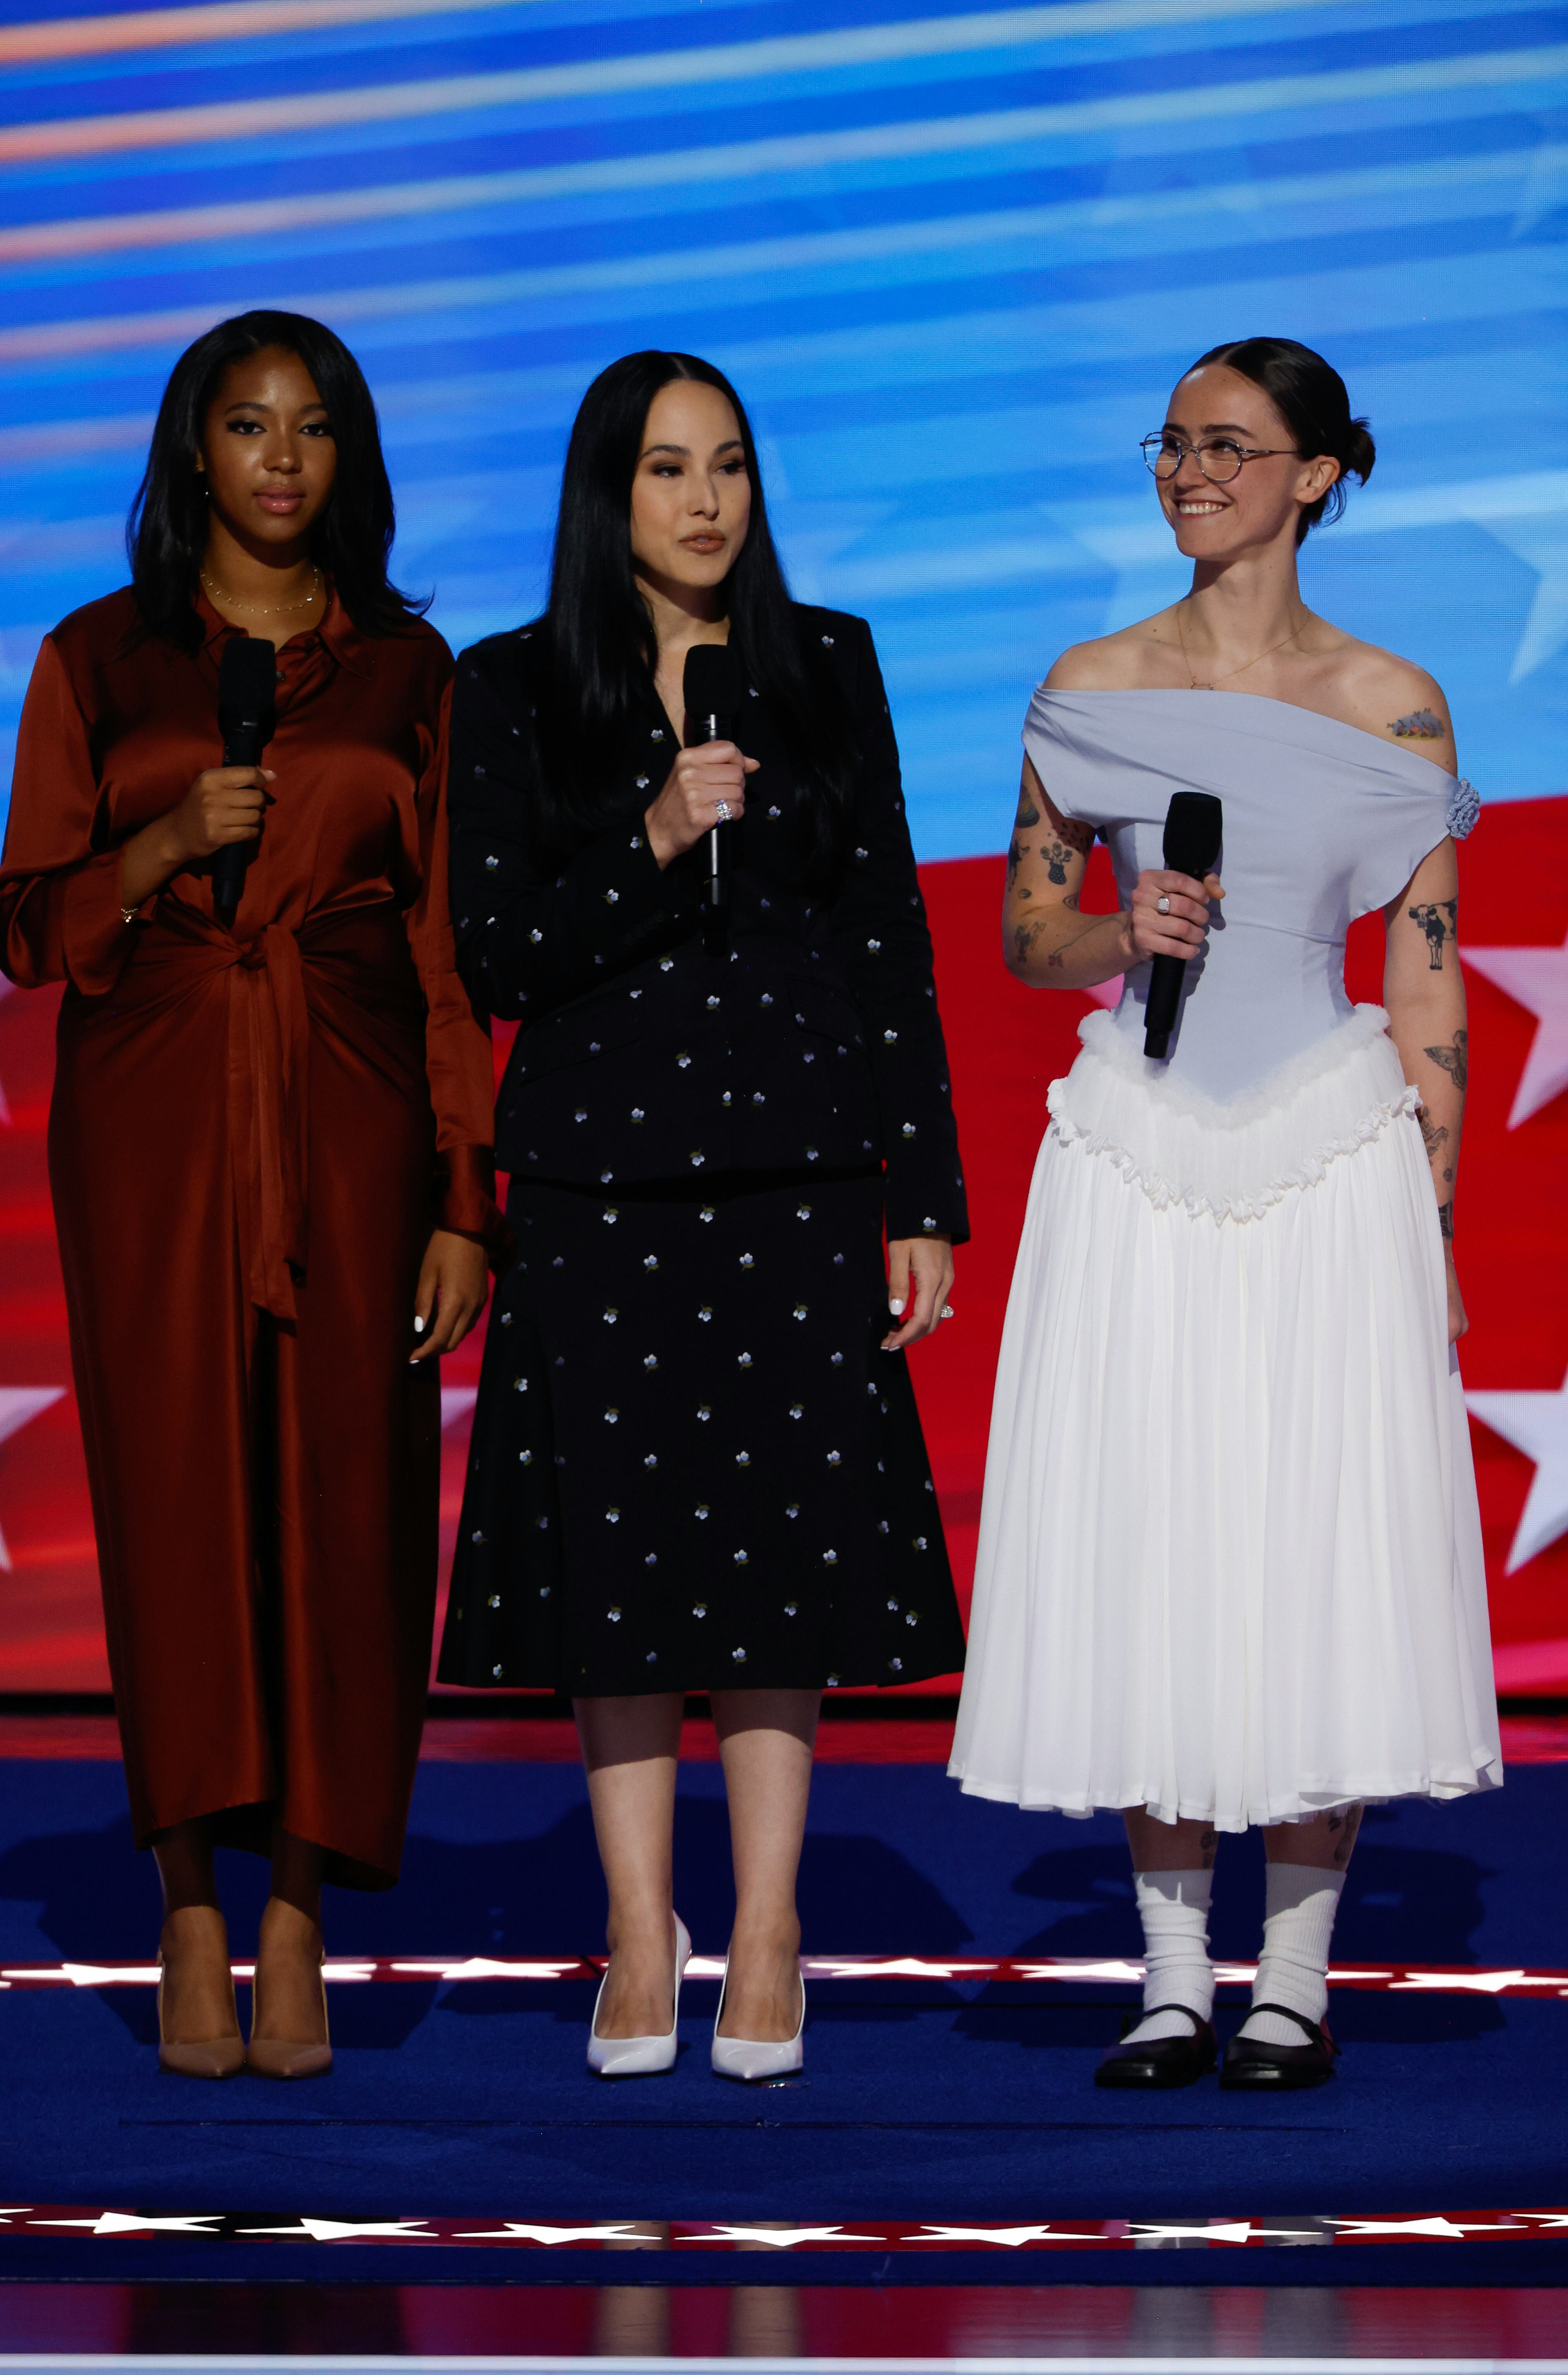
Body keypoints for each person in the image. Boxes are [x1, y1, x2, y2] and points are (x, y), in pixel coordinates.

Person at [949, 336, 1498, 2092]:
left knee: (1311, 1534)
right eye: (1171, 443)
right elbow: (1033, 936)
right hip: (1136, 1146)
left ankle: (1294, 1981)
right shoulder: (1091, 685)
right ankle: (1173, 1975)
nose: (1191, 471)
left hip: (1328, 1158)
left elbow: (1431, 1001)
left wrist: (1437, 1222)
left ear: (1319, 472)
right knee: (1153, 1532)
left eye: (1230, 445)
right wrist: (1128, 934)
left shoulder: (1397, 704)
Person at [440, 350, 967, 2080]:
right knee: (623, 1574)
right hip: (603, 1177)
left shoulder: (828, 669)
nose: (705, 498)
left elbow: (886, 931)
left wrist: (927, 1194)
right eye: (668, 468)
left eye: (729, 464)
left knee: (776, 1567)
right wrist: (658, 832)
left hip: (798, 1170)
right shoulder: (514, 688)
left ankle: (766, 1925)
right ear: (610, 492)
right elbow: (500, 954)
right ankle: (636, 1923)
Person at [0, 311, 497, 2080]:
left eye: (315, 429)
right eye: (246, 426)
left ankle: (300, 1908)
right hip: (150, 1125)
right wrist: (156, 847)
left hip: (350, 1116)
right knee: (184, 1495)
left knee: (345, 1503)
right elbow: (30, 926)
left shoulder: (412, 673)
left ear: (348, 460)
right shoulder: (96, 658)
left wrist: (464, 1194)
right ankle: (186, 1895)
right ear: (190, 453)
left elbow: (446, 959)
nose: (281, 458)